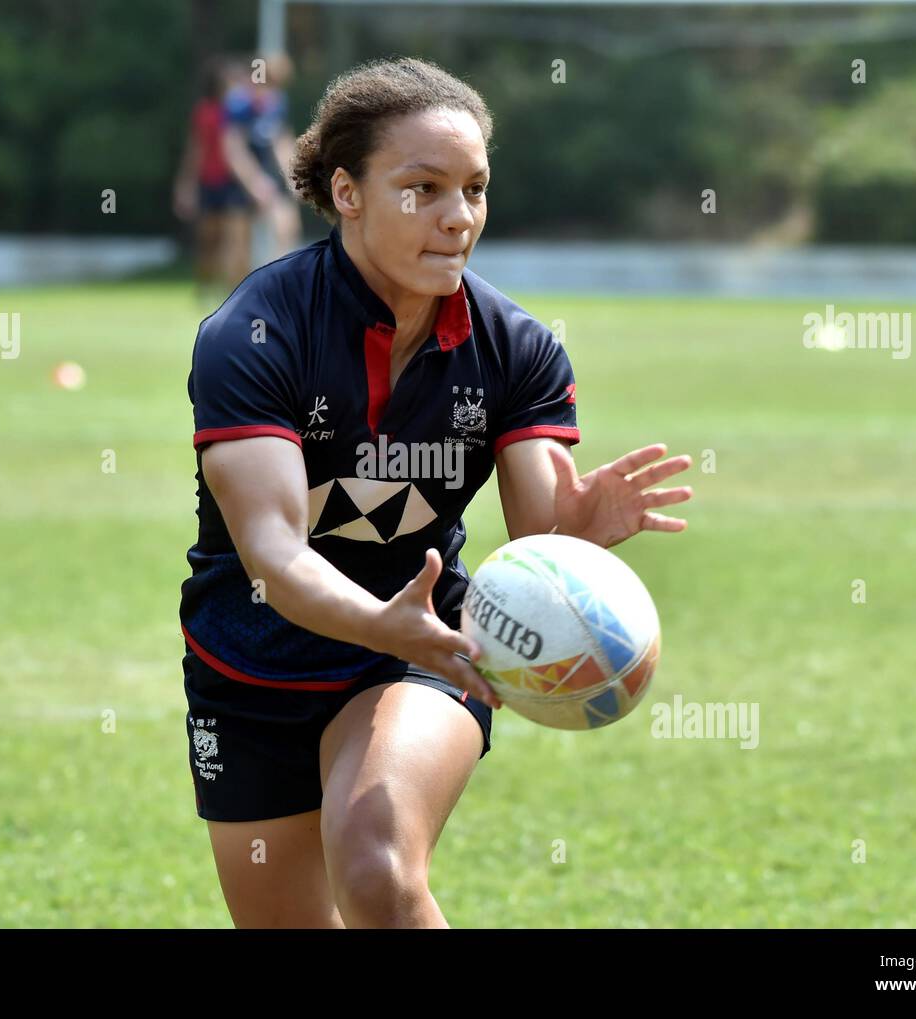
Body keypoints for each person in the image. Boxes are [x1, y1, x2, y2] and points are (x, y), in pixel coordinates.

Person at [179, 56, 693, 929]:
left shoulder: (516, 347)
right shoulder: (256, 333)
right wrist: (377, 617)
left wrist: (574, 530)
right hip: (249, 660)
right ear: (347, 192)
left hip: (423, 648)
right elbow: (273, 553)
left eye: (475, 190)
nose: (459, 217)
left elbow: (538, 533)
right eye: (423, 188)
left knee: (376, 863)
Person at [172, 56, 251, 290]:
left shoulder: (240, 112)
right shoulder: (205, 112)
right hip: (210, 180)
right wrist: (186, 185)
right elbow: (195, 149)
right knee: (209, 238)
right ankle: (206, 284)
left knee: (237, 237)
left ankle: (237, 290)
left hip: (234, 182)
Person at [219, 51, 302, 273]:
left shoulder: (277, 102)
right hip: (240, 176)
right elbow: (234, 150)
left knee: (286, 226)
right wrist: (254, 182)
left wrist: (294, 176)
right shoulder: (237, 104)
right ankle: (237, 290)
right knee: (239, 244)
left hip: (267, 168)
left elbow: (282, 142)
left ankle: (277, 283)